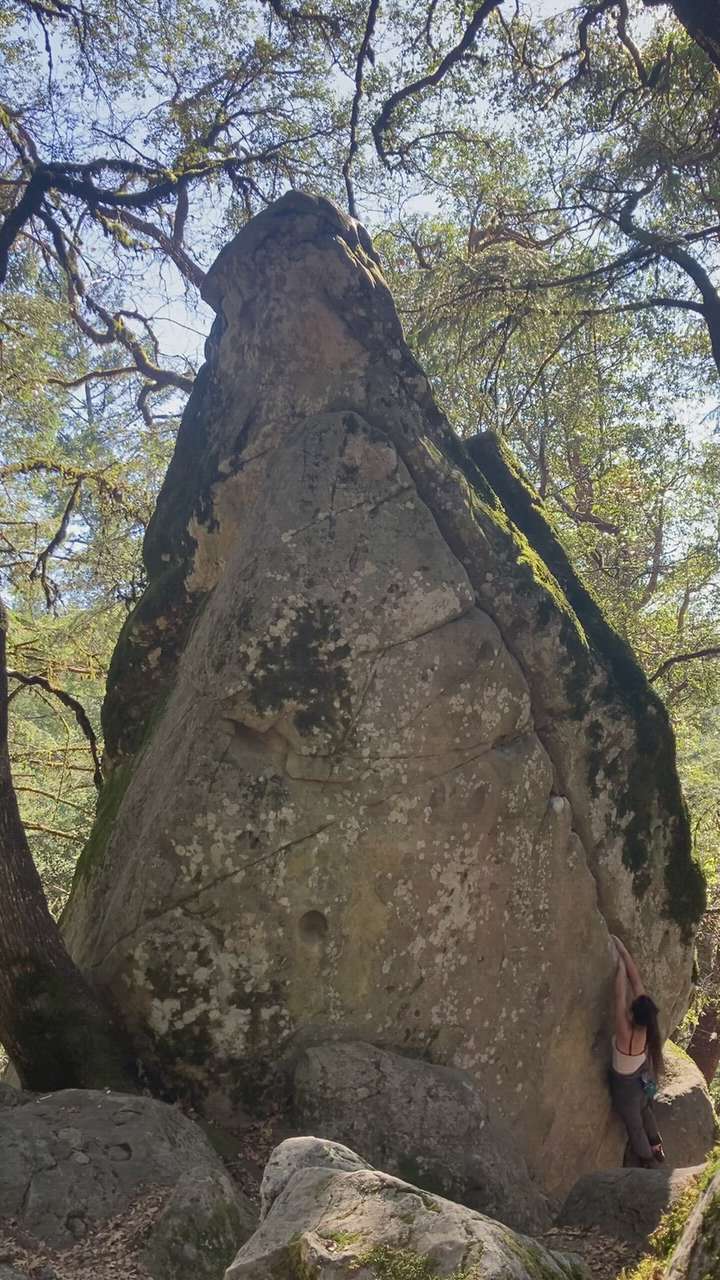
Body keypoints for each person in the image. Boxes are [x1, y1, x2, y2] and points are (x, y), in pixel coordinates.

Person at [609, 934, 665, 1167]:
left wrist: (620, 966)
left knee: (634, 1124)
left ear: (633, 1015)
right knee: (645, 1109)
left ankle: (647, 1158)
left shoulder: (625, 1032)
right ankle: (657, 1145)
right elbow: (637, 982)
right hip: (641, 1077)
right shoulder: (647, 1025)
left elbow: (620, 994)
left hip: (625, 1088)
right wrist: (622, 949)